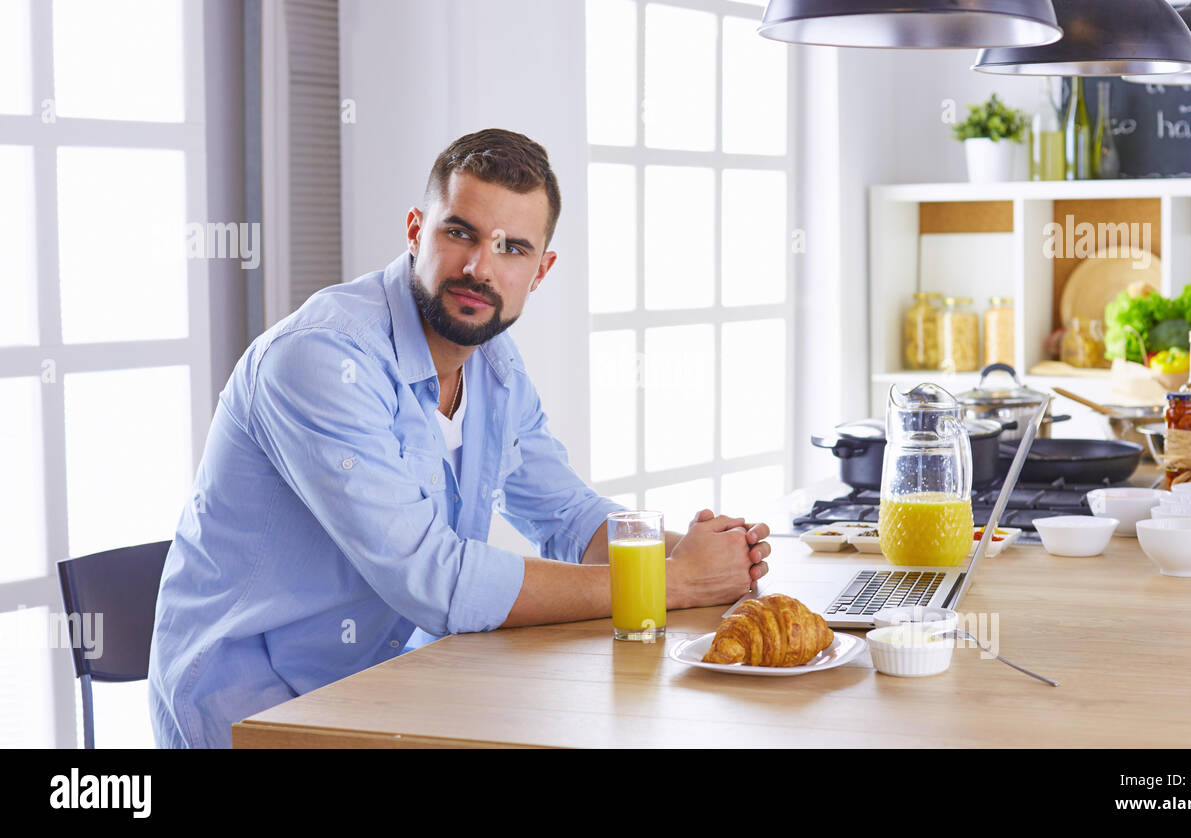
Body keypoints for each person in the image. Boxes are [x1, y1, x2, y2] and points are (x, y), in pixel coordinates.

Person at [148, 128, 772, 748]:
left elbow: (568, 515)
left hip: (392, 691)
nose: (480, 268)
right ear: (417, 229)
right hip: (255, 716)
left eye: (512, 248)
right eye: (460, 233)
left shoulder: (495, 368)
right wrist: (672, 582)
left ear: (541, 270)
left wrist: (703, 554)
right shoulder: (322, 358)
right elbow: (432, 579)